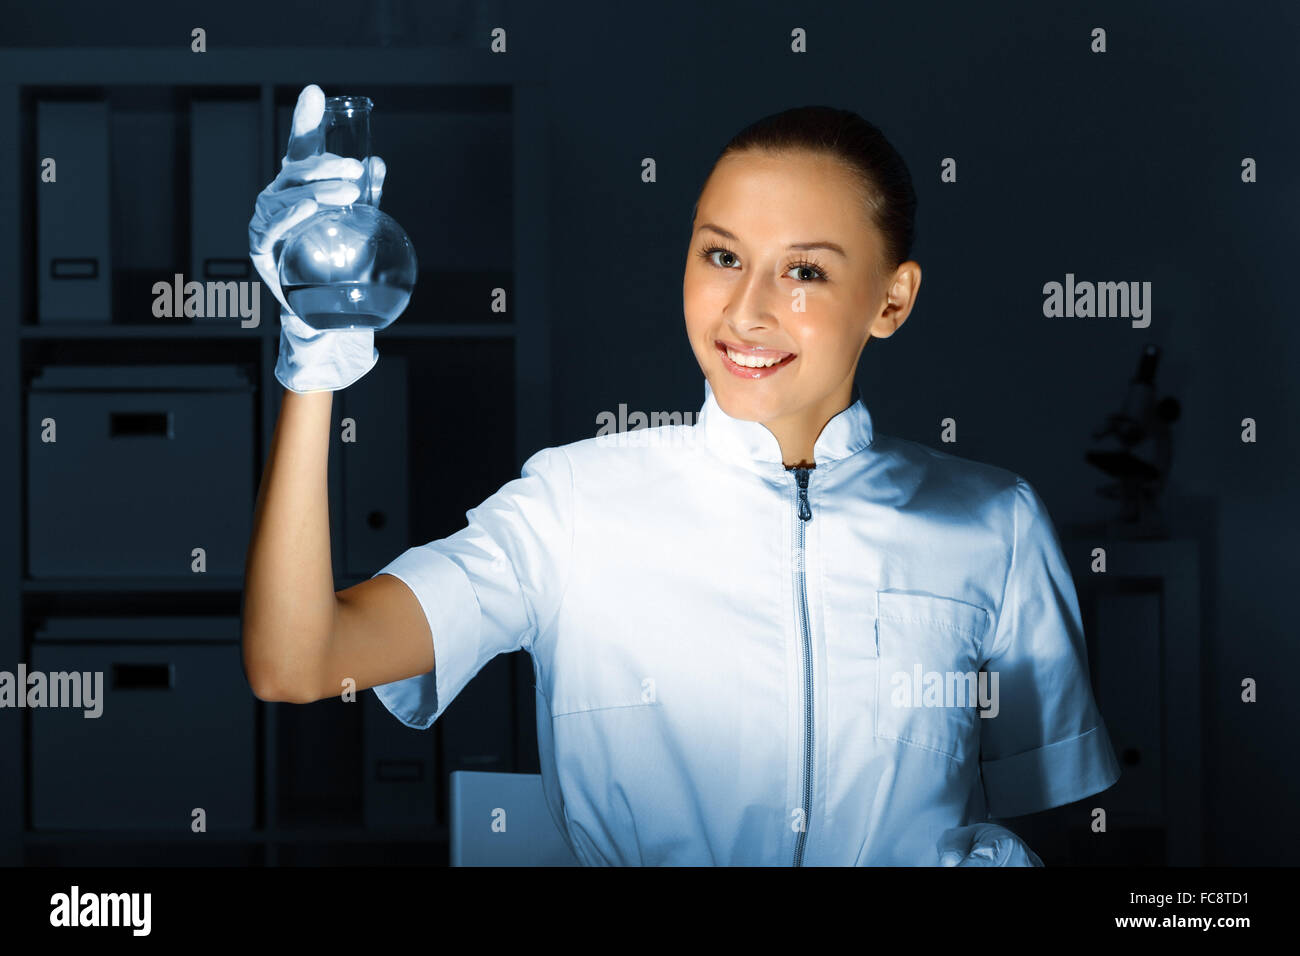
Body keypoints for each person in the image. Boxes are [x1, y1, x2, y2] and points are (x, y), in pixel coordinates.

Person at [242, 84, 1120, 866]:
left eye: (804, 271)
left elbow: (1060, 815)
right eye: (723, 256)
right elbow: (300, 660)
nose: (746, 311)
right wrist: (314, 370)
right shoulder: (572, 505)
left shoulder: (995, 522)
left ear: (892, 299)